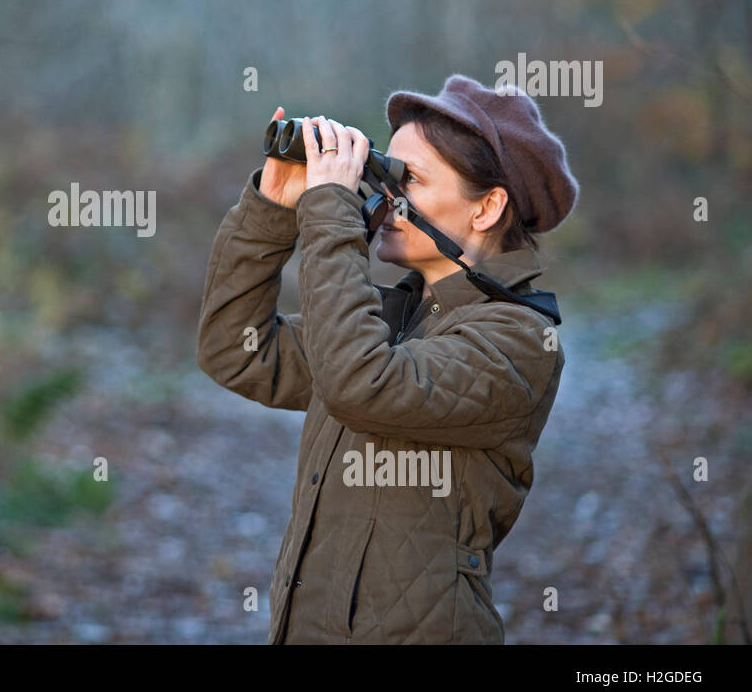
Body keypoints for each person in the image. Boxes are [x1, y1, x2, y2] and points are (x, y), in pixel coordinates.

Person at [196, 74, 579, 644]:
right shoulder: (390, 317)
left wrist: (330, 211)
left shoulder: (519, 343)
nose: (386, 193)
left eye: (411, 179)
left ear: (487, 208)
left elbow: (363, 383)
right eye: (383, 171)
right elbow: (236, 350)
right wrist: (274, 206)